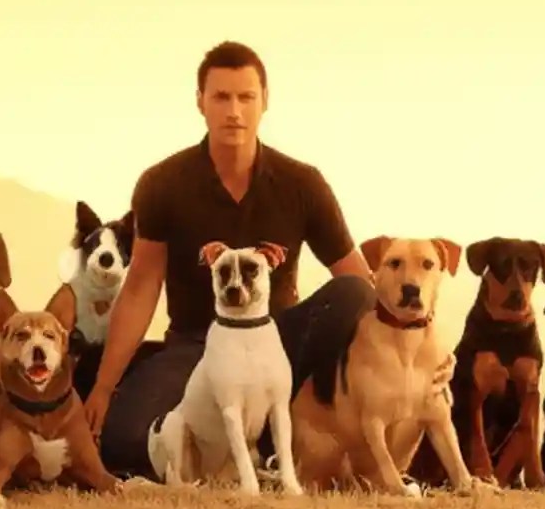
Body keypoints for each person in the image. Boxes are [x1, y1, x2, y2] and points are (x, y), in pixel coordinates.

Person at [83, 40, 376, 480]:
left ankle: (276, 436)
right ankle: (247, 454)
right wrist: (104, 388)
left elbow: (357, 278)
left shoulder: (302, 183)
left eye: (246, 97)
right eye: (221, 97)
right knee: (123, 439)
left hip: (276, 344)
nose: (234, 110)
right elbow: (142, 285)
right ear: (200, 102)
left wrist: (417, 341)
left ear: (265, 101)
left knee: (353, 294)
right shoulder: (163, 183)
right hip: (197, 349)